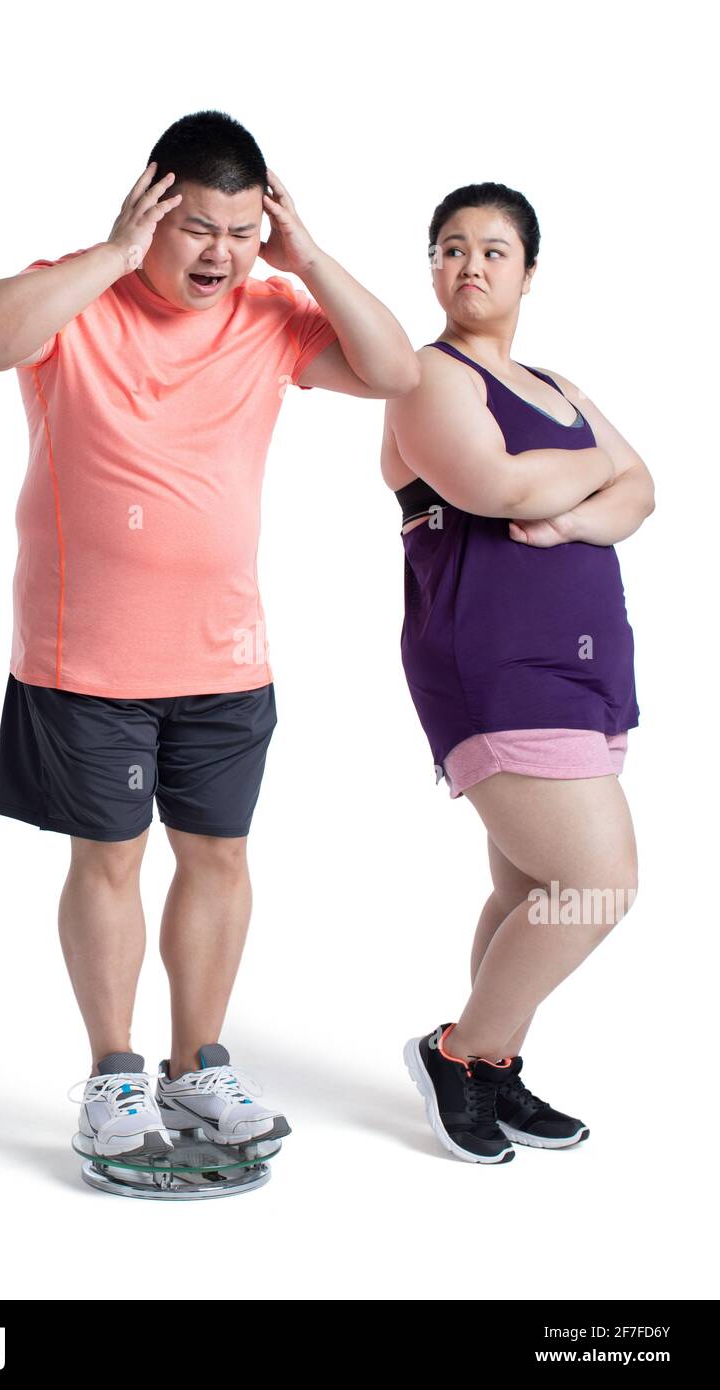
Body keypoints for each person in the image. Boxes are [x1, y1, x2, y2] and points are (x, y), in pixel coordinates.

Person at [0, 110, 419, 1159]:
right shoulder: (75, 299)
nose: (220, 252)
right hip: (87, 659)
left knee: (218, 855)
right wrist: (109, 253)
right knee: (109, 861)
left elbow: (394, 371)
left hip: (224, 655)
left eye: (241, 230)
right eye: (197, 227)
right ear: (152, 207)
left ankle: (198, 1066)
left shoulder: (271, 310)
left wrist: (307, 257)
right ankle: (115, 1076)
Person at [381, 182, 654, 1165]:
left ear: (526, 271)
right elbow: (488, 485)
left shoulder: (559, 386)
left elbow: (640, 488)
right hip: (488, 658)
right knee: (593, 882)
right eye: (449, 248)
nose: (469, 266)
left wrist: (571, 513)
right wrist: (577, 479)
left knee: (529, 884)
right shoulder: (427, 374)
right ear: (431, 267)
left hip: (580, 666)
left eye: (492, 250)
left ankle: (494, 1068)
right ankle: (458, 1052)